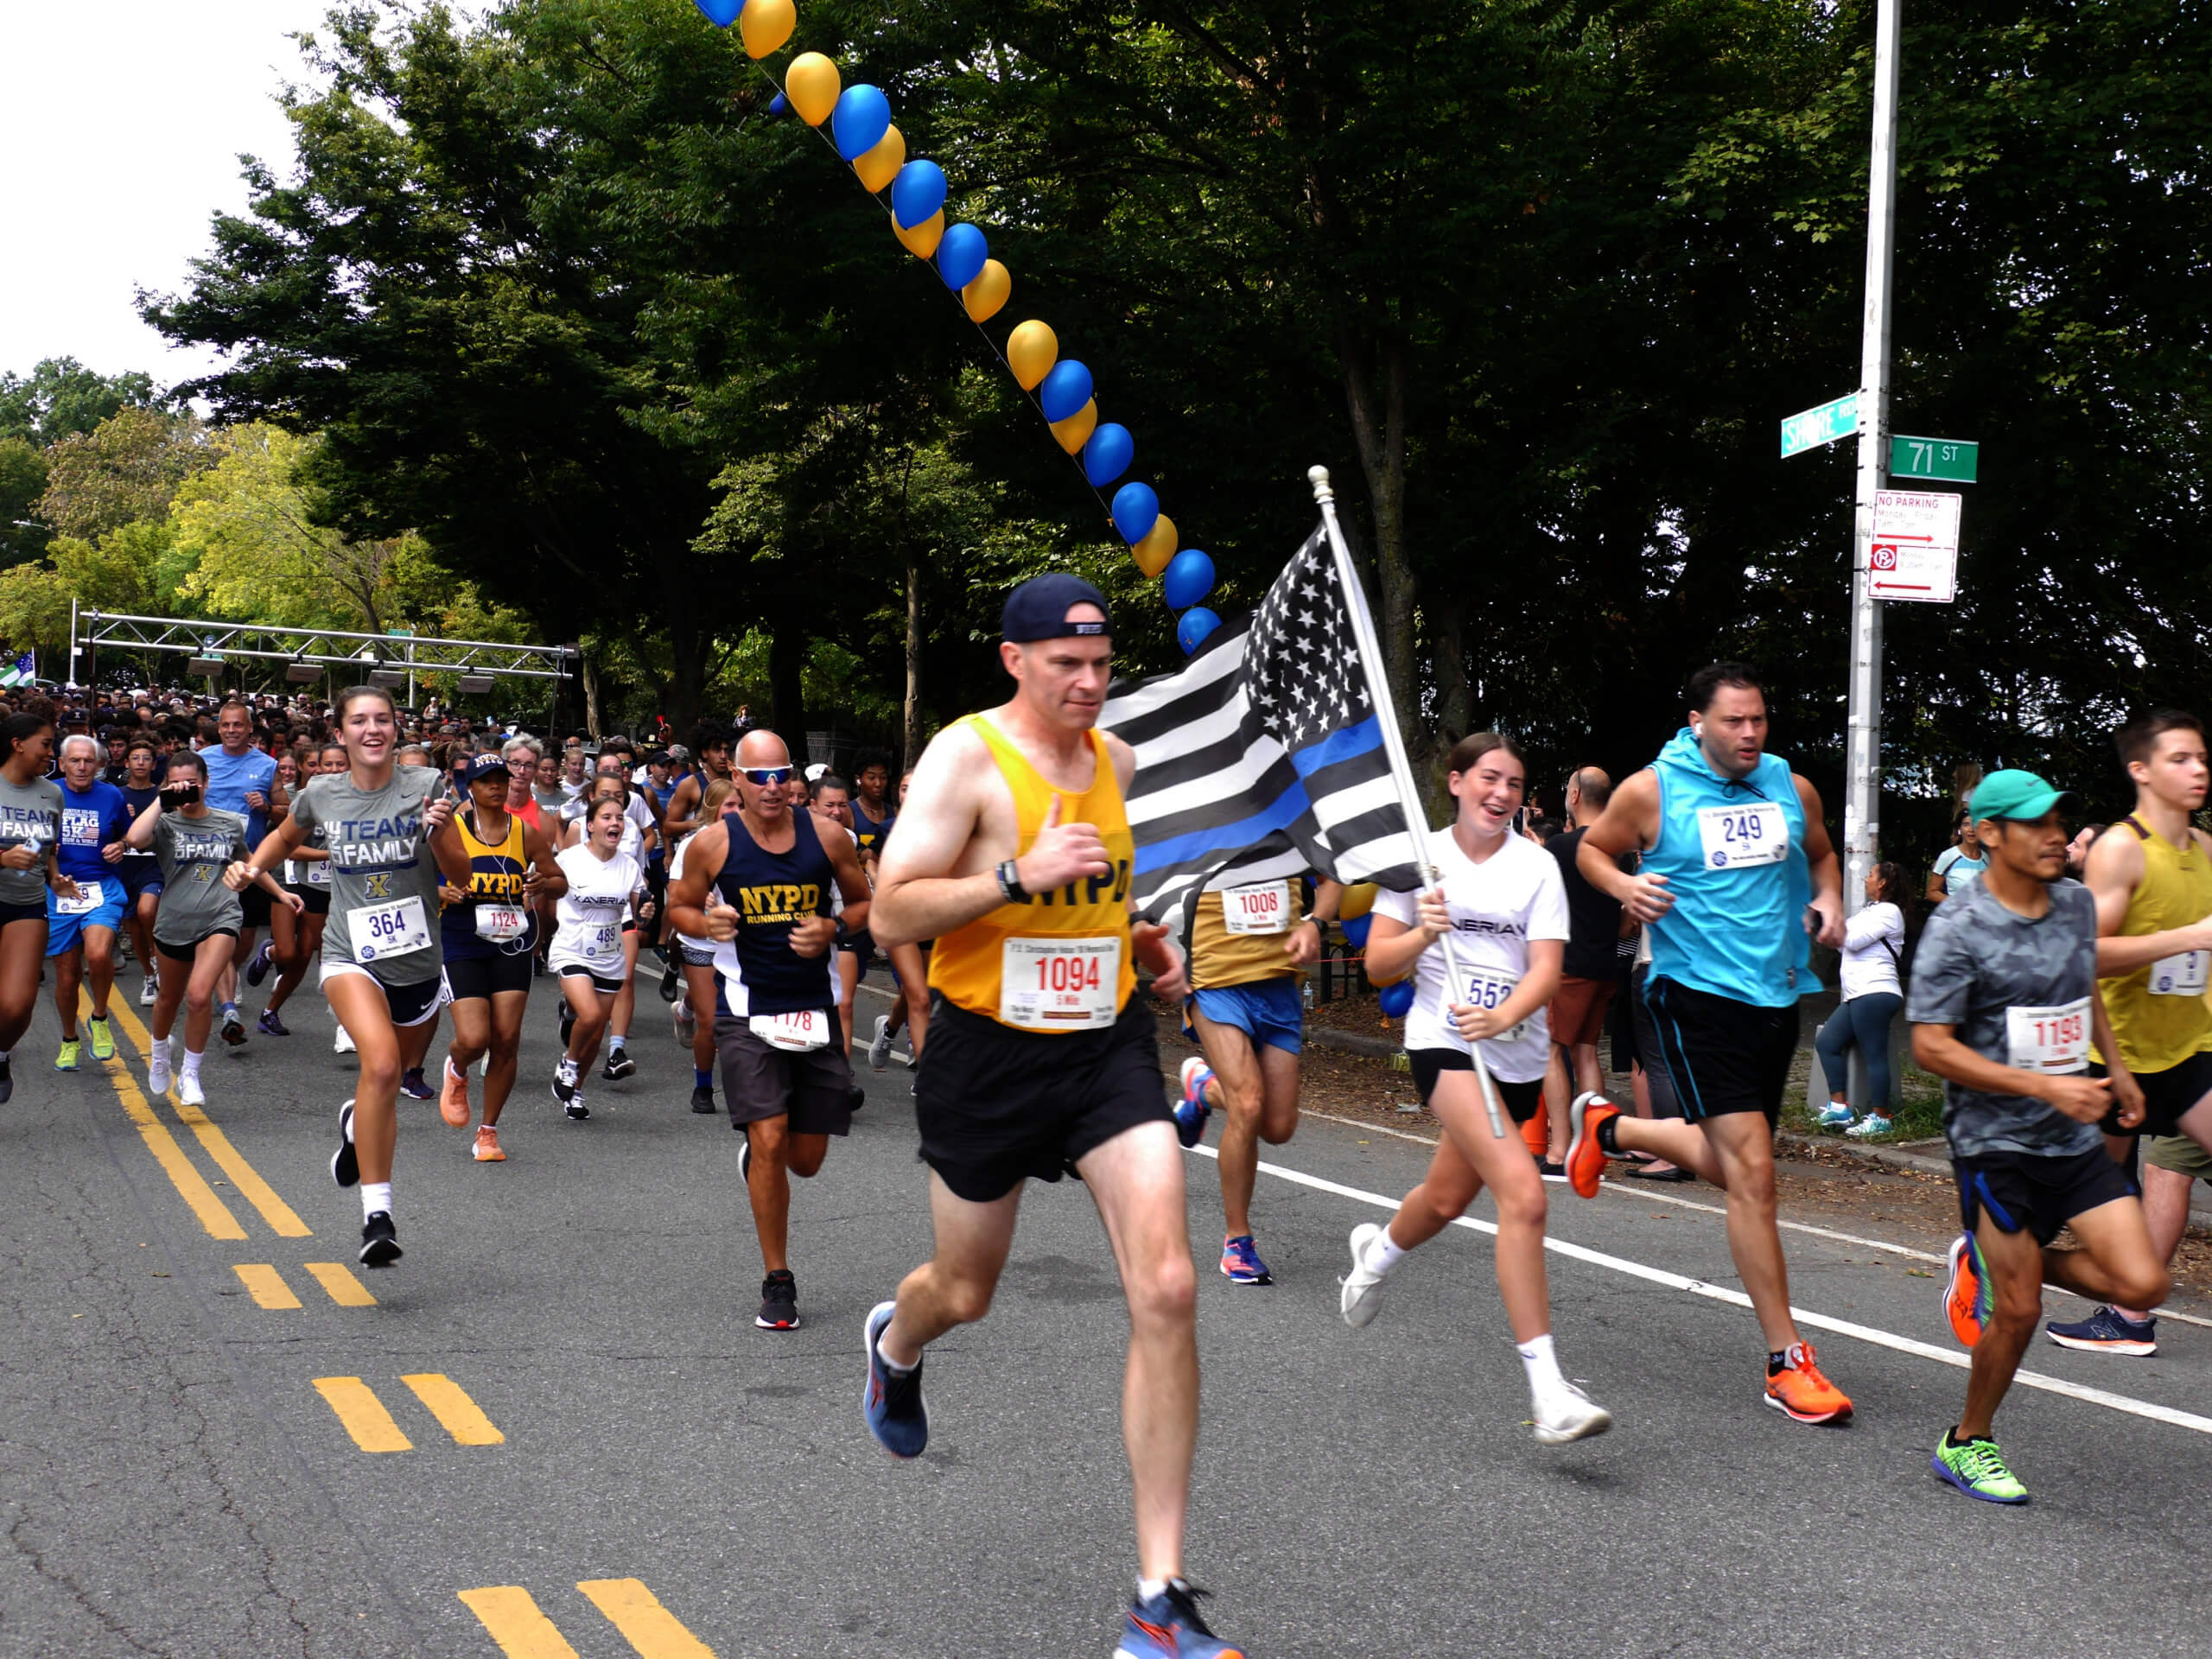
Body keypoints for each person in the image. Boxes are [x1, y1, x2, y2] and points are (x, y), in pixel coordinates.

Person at [861, 575, 1234, 1659]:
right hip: (986, 1054)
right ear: (1015, 659)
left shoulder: (1116, 761)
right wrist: (1016, 874)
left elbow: (1098, 895)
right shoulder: (966, 759)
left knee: (1167, 1283)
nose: (1089, 683)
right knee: (964, 1290)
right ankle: (898, 1340)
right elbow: (892, 907)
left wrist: (1139, 946)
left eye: (1103, 665)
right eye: (1067, 664)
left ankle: (1158, 1599)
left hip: (1105, 1046)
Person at [1569, 661, 1853, 1424]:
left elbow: (1823, 852)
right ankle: (1786, 1359)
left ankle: (1609, 1127)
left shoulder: (1790, 787)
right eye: (1734, 721)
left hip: (1774, 993)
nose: (1750, 733)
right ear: (1697, 722)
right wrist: (1625, 887)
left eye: (1759, 718)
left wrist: (1827, 897)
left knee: (1741, 1166)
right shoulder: (1651, 791)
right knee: (1754, 1174)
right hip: (1693, 993)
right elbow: (1593, 850)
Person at [1336, 732, 1613, 1446]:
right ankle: (1548, 1391)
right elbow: (1376, 968)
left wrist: (1505, 1016)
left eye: (1515, 784)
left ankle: (1376, 1256)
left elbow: (1547, 970)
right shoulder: (1419, 861)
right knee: (1522, 1195)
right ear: (1457, 782)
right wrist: (1423, 933)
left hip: (1513, 1058)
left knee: (1446, 1199)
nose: (1501, 793)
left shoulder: (1537, 868)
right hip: (1443, 1044)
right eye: (1489, 778)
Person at [1910, 768, 2166, 1503]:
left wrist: (2115, 1068)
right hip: (1994, 1141)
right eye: (2036, 824)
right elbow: (1930, 1045)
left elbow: (2081, 982)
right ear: (1988, 833)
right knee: (2018, 1312)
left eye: (2061, 820)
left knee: (2144, 1281)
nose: (2058, 835)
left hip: (2071, 1134)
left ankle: (1999, 1261)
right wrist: (2044, 1083)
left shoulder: (2077, 903)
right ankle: (1968, 1442)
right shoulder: (1957, 926)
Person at [232, 684, 467, 1268]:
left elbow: (462, 874)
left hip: (416, 959)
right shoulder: (321, 794)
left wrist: (439, 831)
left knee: (392, 1075)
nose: (372, 730)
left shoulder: (425, 786)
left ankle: (353, 1121)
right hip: (349, 953)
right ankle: (377, 1215)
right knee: (382, 1066)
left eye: (382, 720)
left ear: (396, 729)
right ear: (340, 733)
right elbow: (285, 836)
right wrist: (252, 868)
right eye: (359, 721)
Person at [669, 731, 871, 1328]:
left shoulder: (829, 836)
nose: (772, 787)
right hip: (745, 1011)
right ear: (735, 775)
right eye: (758, 777)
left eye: (781, 775)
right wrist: (707, 923)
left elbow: (866, 906)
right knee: (772, 1138)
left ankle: (763, 1158)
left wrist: (834, 928)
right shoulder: (712, 844)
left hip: (815, 1008)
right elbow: (679, 906)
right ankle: (778, 1280)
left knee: (804, 1160)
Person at [2046, 710, 2212, 1355]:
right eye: (2180, 759)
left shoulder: (2204, 850)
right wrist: (2188, 938)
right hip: (2113, 1063)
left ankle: (2123, 1315)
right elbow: (2083, 954)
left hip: (2189, 1055)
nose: (2197, 769)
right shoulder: (2121, 848)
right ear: (2140, 770)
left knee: (2128, 1262)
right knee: (2079, 1217)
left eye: (2201, 757)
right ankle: (2002, 1258)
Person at [1171, 863, 1339, 1286]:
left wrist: (1317, 923)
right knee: (1247, 1101)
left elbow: (1337, 871)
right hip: (1215, 980)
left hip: (1278, 984)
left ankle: (1204, 1091)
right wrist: (1172, 960)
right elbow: (1159, 882)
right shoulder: (1206, 820)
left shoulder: (1290, 822)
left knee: (1277, 1126)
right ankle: (1238, 1243)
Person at [130, 753, 299, 1106]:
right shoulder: (165, 824)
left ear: (205, 783)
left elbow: (251, 862)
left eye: (190, 782)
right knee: (168, 999)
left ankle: (190, 1073)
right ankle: (160, 1052)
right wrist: (163, 802)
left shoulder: (228, 823)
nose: (184, 789)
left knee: (198, 995)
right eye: (175, 783)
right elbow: (134, 838)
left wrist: (281, 893)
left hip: (220, 917)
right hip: (174, 921)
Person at [437, 753, 563, 1161]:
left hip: (511, 943)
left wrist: (544, 883)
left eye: (501, 779)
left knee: (507, 1039)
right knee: (475, 1039)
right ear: (469, 787)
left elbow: (560, 881)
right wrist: (440, 892)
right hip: (462, 941)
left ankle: (488, 1132)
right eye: (485, 780)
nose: (496, 786)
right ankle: (457, 1069)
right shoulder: (451, 829)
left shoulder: (524, 833)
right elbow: (416, 878)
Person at [1539, 766, 1620, 1174]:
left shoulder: (1560, 848)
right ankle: (1594, 1147)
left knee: (1552, 1050)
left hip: (1569, 965)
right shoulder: (1615, 847)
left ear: (1574, 797)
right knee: (1586, 1052)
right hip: (1606, 961)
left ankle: (1558, 1151)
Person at [547, 794, 647, 1122]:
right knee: (589, 1016)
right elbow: (548, 893)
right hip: (571, 948)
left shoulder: (629, 866)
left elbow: (639, 910)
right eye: (606, 817)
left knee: (594, 1031)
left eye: (619, 818)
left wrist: (646, 911)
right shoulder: (569, 859)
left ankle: (576, 1090)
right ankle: (569, 1063)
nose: (614, 823)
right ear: (590, 825)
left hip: (609, 955)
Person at [45, 734, 134, 1071]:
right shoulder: (49, 793)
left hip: (102, 888)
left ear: (98, 765)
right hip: (60, 891)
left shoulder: (112, 794)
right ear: (63, 763)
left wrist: (122, 845)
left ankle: (99, 1017)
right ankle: (69, 1039)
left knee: (97, 955)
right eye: (75, 760)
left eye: (88, 761)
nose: (82, 767)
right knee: (67, 977)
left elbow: (129, 833)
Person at [199, 697, 280, 1046]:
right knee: (222, 933)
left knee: (243, 939)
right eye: (226, 725)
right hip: (207, 861)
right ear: (219, 728)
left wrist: (268, 806)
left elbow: (286, 814)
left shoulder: (267, 765)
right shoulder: (202, 760)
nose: (232, 730)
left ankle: (226, 973)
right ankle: (226, 997)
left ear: (250, 729)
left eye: (239, 725)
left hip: (249, 864)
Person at [1815, 861, 1909, 1136]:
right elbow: (1838, 938)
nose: (1866, 879)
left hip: (1876, 991)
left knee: (1874, 1055)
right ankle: (1839, 1107)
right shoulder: (1869, 912)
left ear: (1882, 883)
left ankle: (1881, 1118)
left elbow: (1851, 941)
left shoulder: (1890, 912)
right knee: (1827, 1042)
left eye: (1870, 875)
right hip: (1858, 994)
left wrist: (1836, 931)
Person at [0, 713, 66, 1100]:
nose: (50, 752)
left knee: (18, 1005)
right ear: (17, 744)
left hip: (27, 903)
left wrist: (55, 876)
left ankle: (2, 1053)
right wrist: (3, 858)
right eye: (45, 743)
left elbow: (48, 848)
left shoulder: (52, 793)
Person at [666, 776, 740, 1114]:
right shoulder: (692, 846)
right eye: (730, 806)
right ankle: (704, 1086)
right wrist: (700, 901)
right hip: (701, 940)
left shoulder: (755, 844)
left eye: (741, 805)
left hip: (739, 941)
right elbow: (676, 899)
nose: (736, 812)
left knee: (742, 1016)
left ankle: (685, 1009)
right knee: (711, 1022)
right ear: (713, 809)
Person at [867, 767, 932, 1074]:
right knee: (919, 996)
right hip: (901, 919)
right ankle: (924, 1076)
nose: (909, 794)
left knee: (918, 992)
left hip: (933, 919)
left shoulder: (946, 827)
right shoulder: (889, 828)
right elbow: (869, 860)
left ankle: (890, 1029)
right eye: (904, 788)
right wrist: (883, 887)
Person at [114, 738, 165, 1007]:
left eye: (146, 758)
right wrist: (124, 820)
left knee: (147, 911)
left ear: (154, 764)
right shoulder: (117, 794)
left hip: (153, 865)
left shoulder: (161, 794)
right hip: (126, 866)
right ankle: (149, 975)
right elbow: (108, 831)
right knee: (132, 923)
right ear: (127, 763)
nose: (141, 763)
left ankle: (158, 959)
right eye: (136, 758)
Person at [1927, 809, 1986, 906]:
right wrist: (1957, 902)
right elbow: (1932, 893)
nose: (1971, 829)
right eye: (1966, 824)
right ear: (1959, 829)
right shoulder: (1948, 856)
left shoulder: (1988, 859)